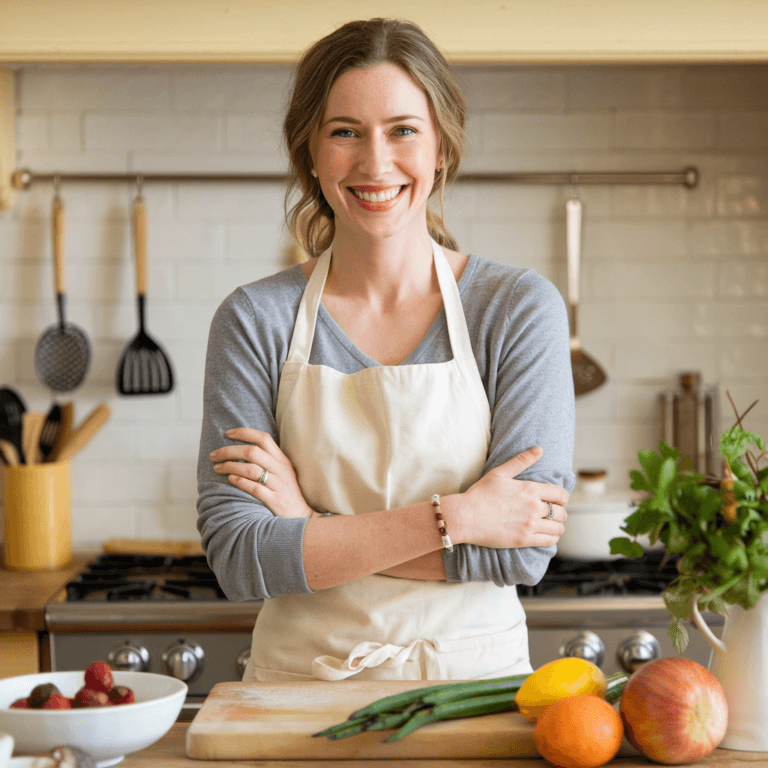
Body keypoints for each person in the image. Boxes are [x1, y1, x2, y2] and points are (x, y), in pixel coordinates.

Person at [197, 17, 575, 682]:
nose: (376, 163)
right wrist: (460, 517)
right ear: (310, 152)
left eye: (403, 130)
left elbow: (522, 555)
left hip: (474, 698)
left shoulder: (516, 308)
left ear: (441, 150)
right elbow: (240, 557)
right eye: (345, 132)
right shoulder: (255, 319)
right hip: (299, 697)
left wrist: (309, 525)